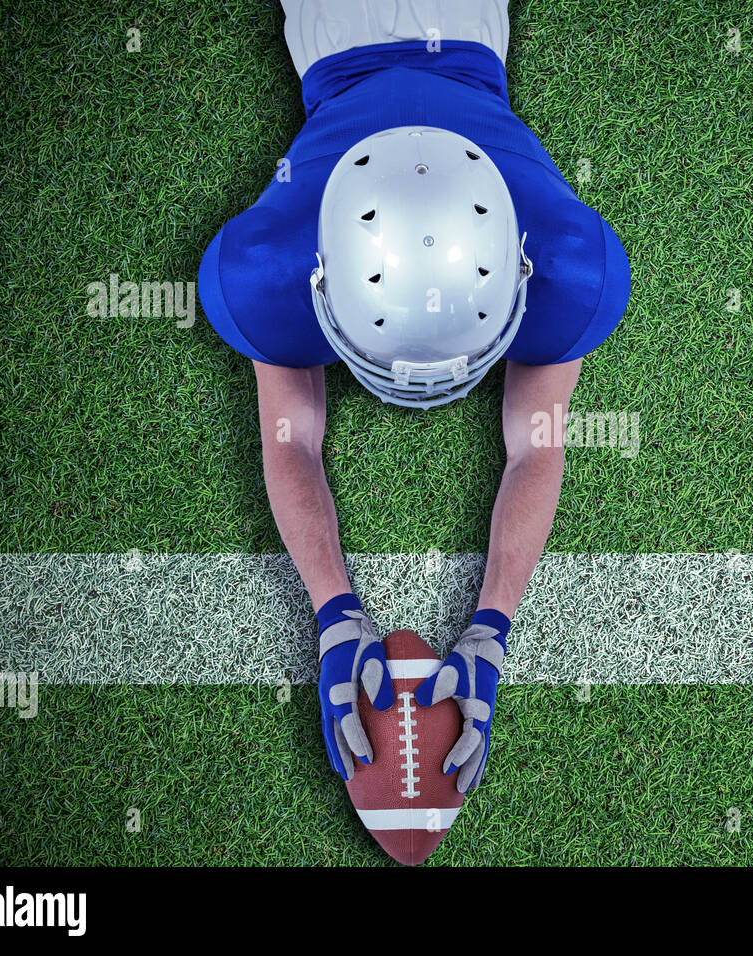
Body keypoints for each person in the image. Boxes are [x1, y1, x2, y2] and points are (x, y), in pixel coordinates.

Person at [197, 0, 632, 795]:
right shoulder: (263, 275)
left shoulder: (262, 277)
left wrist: (351, 614)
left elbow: (290, 439)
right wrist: (351, 615)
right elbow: (537, 442)